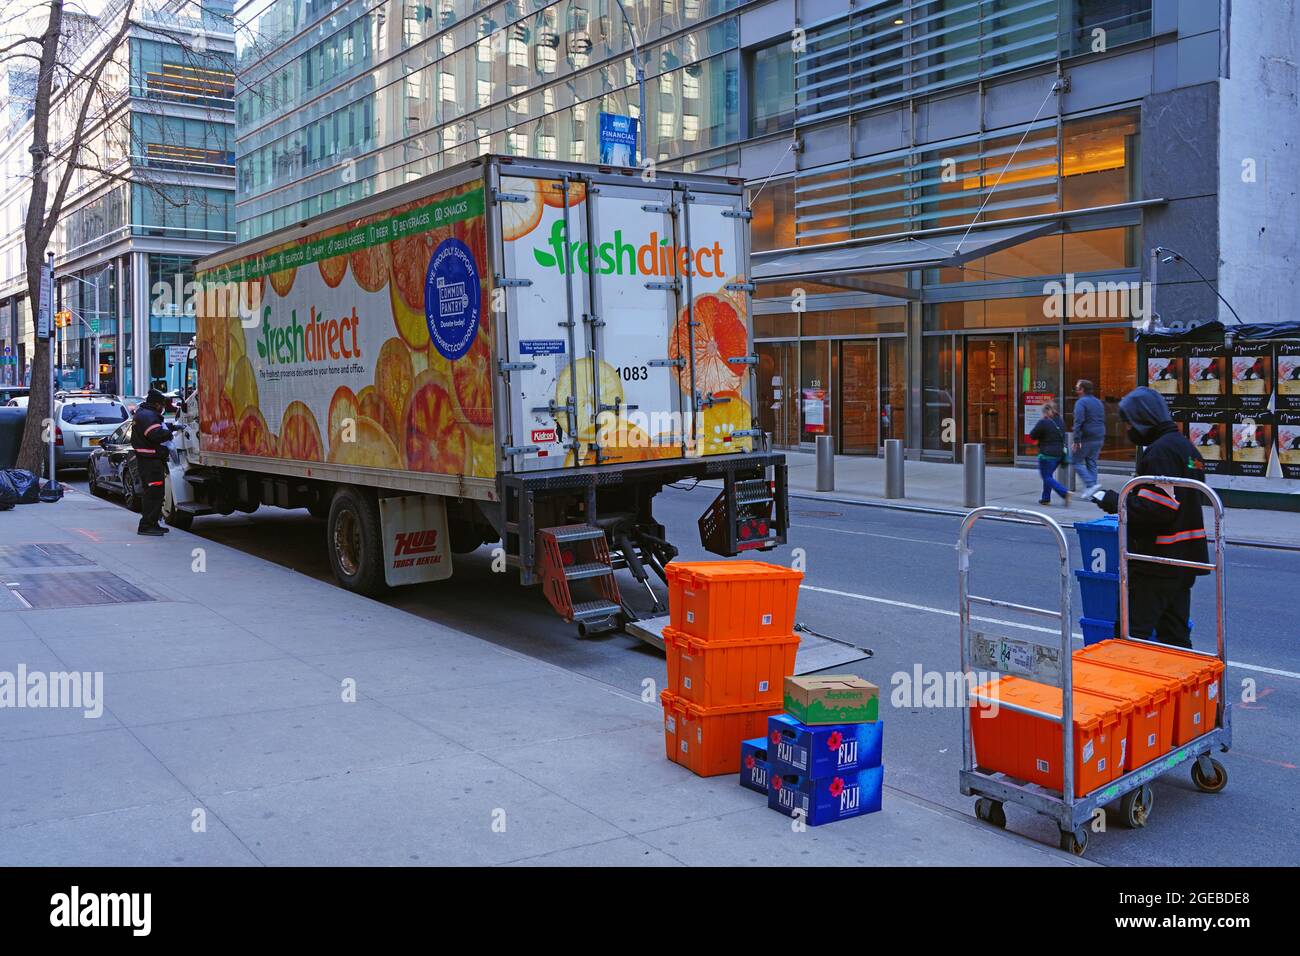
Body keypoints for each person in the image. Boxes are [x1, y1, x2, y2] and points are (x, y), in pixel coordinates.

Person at [1094, 387, 1208, 649]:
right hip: (1185, 557)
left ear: (1143, 419)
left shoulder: (1159, 452)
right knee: (1174, 636)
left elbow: (1159, 508)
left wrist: (1115, 501)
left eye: (1128, 423)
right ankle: (1178, 686)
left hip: (1157, 560)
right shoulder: (1186, 448)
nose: (1127, 430)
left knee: (1130, 634)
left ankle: (1129, 686)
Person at [130, 389, 177, 537]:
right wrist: (169, 434)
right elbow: (155, 434)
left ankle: (153, 523)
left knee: (153, 494)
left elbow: (156, 429)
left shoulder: (143, 413)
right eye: (162, 405)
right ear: (157, 404)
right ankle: (146, 525)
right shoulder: (149, 416)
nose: (163, 408)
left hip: (148, 461)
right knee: (154, 494)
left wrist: (171, 427)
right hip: (151, 463)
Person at [1029, 398, 1070, 506]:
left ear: (1046, 411)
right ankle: (1045, 498)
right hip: (1059, 454)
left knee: (1046, 476)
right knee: (1049, 475)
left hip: (1047, 454)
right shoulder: (1060, 420)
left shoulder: (1044, 422)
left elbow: (1033, 435)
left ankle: (1064, 492)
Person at [1070, 379, 1106, 495]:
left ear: (1082, 390)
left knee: (1075, 461)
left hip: (1087, 436)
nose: (1076, 390)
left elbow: (1078, 421)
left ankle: (1091, 485)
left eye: (1077, 388)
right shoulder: (1098, 402)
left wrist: (1076, 440)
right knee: (1091, 462)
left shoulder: (1081, 402)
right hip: (1099, 435)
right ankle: (1093, 492)